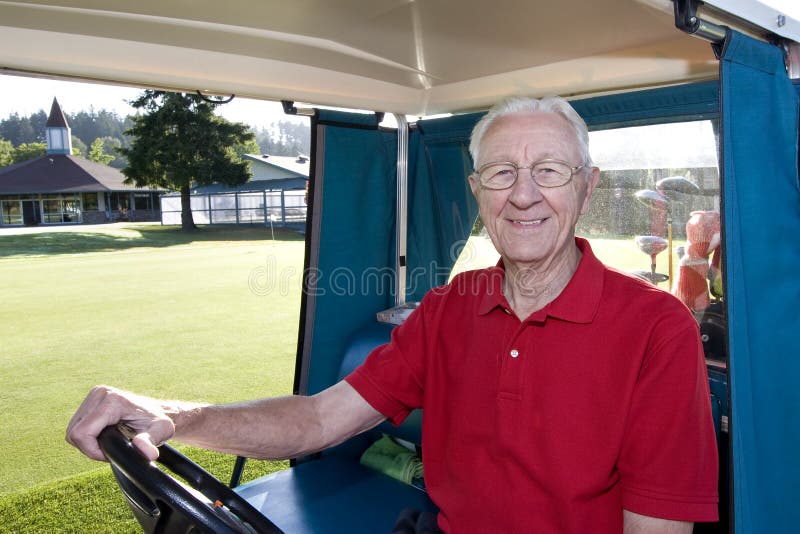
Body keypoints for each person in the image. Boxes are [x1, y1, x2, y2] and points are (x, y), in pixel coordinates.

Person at [67, 96, 718, 533]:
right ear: (476, 192)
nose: (523, 194)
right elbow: (320, 419)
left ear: (587, 183)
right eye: (500, 173)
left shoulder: (656, 330)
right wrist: (175, 417)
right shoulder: (445, 312)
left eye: (548, 170)